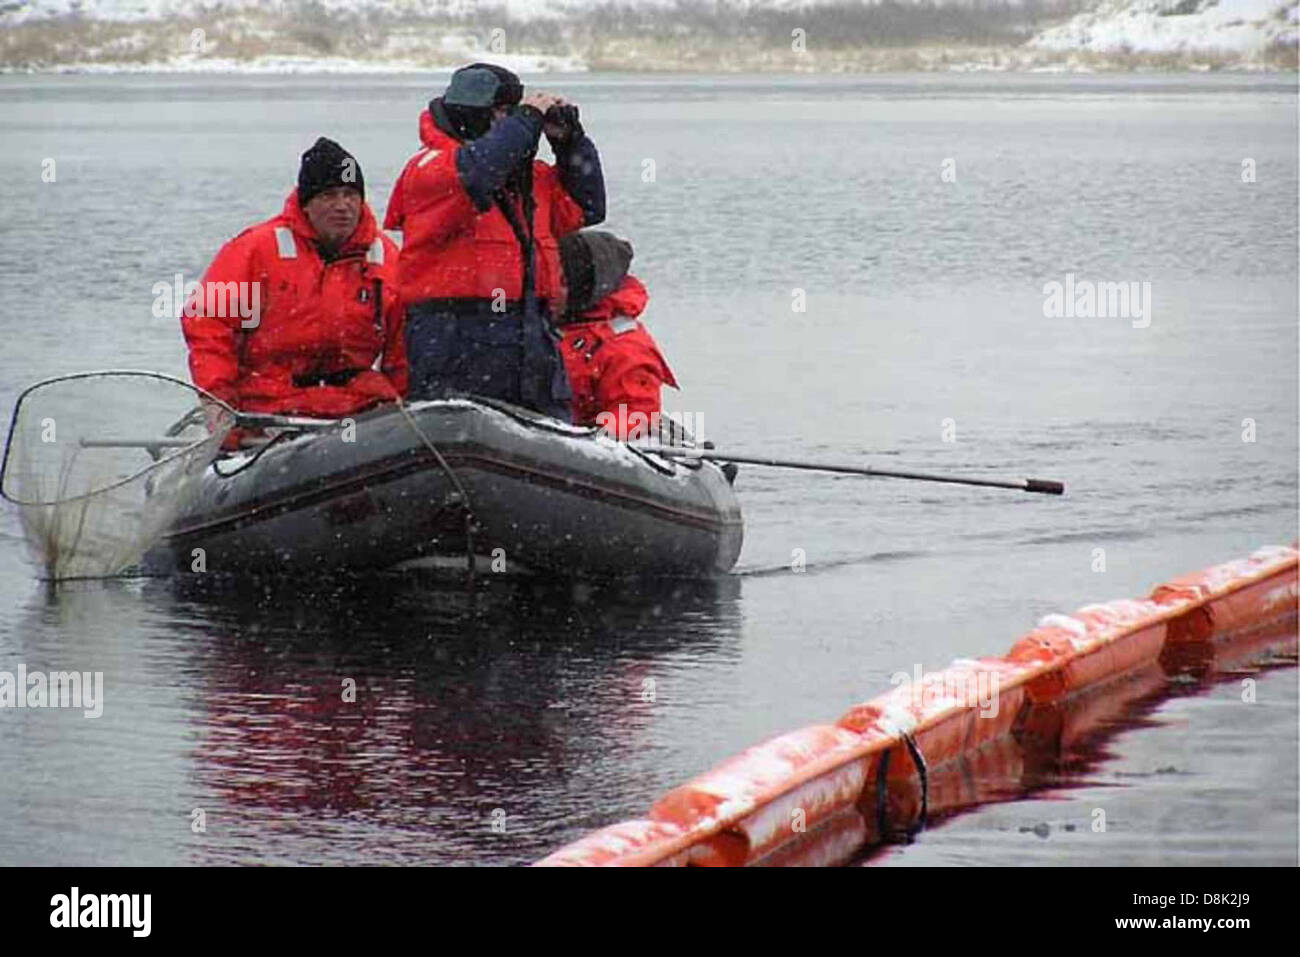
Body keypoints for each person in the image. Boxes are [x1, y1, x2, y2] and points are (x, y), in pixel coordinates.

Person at [384, 62, 605, 421]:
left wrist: (569, 142)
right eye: (503, 112)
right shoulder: (430, 170)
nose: (510, 121)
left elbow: (588, 206)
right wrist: (528, 118)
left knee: (549, 438)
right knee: (457, 433)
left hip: (532, 342)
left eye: (513, 112)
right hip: (455, 344)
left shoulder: (529, 181)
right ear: (471, 113)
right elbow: (476, 174)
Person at [181, 138, 406, 446]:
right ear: (306, 204)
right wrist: (219, 402)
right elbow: (209, 324)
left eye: (350, 194)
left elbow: (404, 348)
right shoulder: (257, 251)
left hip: (357, 408)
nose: (342, 206)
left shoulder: (386, 258)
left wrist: (405, 403)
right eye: (329, 195)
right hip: (270, 409)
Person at [554, 231, 678, 437]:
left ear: (583, 287)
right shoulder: (544, 326)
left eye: (562, 282)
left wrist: (591, 437)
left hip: (582, 442)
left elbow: (635, 413)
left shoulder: (625, 347)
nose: (549, 290)